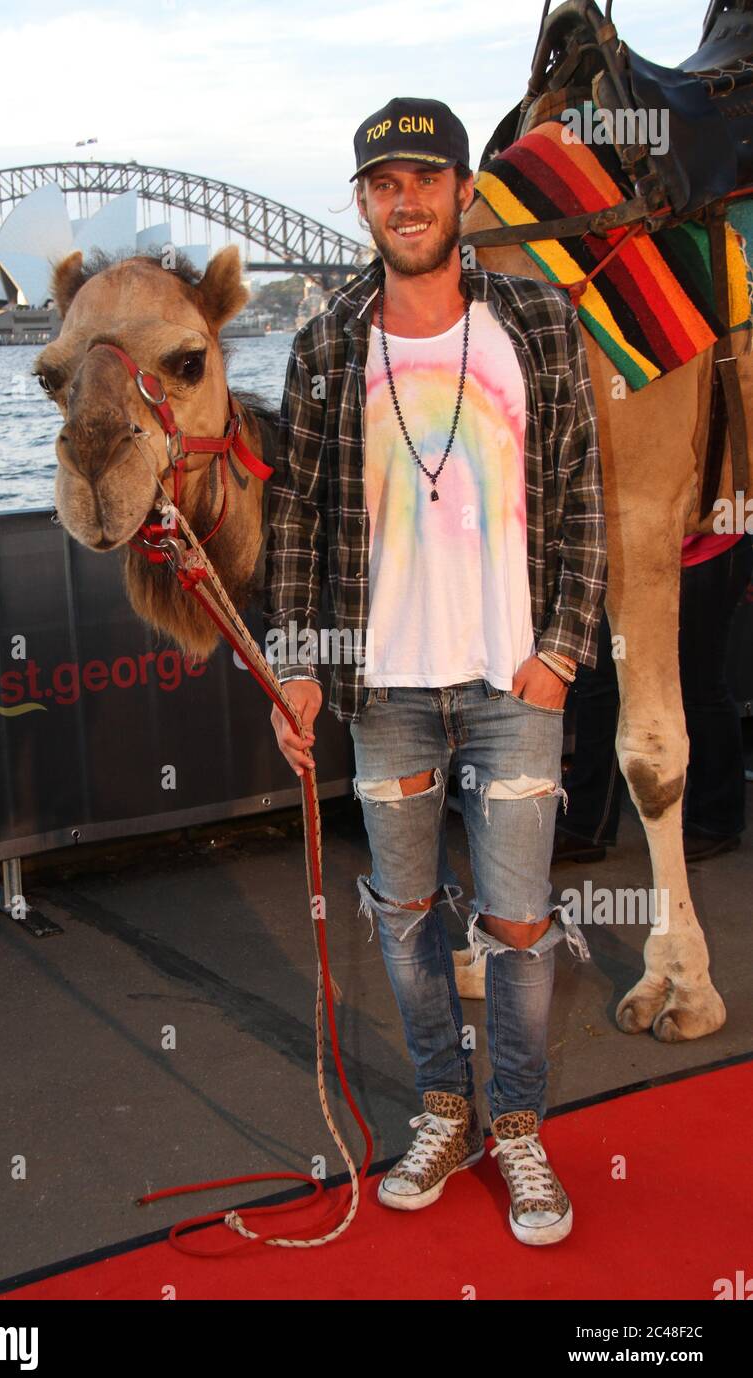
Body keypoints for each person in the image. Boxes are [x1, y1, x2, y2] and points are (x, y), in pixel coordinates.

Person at [264, 97, 607, 1246]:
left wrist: (560, 650)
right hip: (383, 690)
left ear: (465, 192)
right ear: (361, 201)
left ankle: (517, 1127)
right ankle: (442, 1107)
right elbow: (298, 521)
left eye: (424, 179)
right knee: (405, 919)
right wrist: (294, 665)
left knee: (513, 927)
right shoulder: (323, 344)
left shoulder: (535, 321)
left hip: (514, 680)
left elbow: (579, 494)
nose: (403, 201)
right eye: (381, 184)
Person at [554, 529, 753, 864]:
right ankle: (585, 827)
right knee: (599, 680)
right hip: (625, 549)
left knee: (697, 684)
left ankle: (716, 821)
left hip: (707, 547)